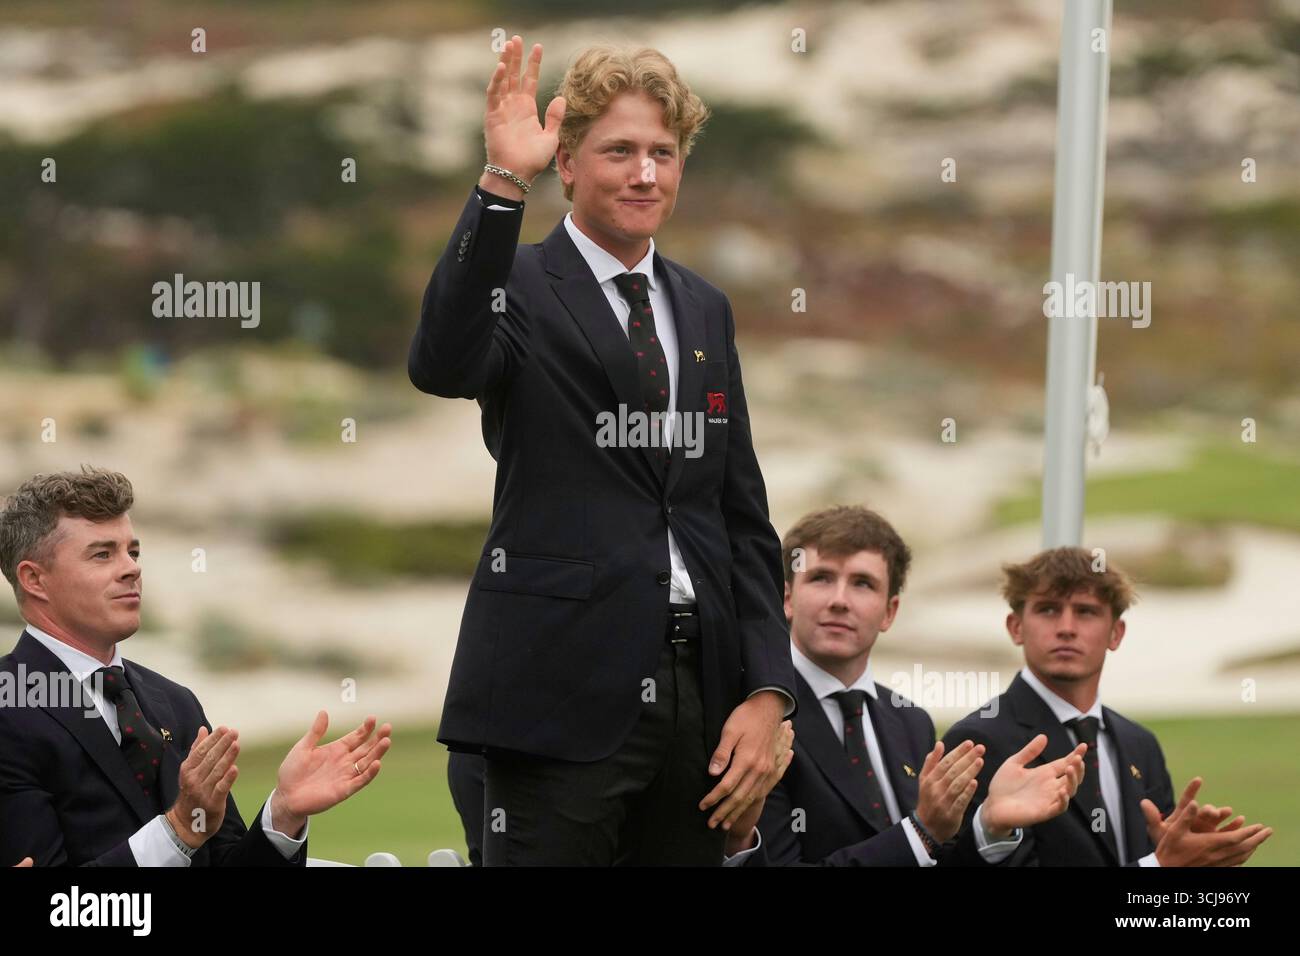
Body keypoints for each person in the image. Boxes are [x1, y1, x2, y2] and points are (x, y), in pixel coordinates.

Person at [410, 38, 795, 865]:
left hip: (703, 696)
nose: (645, 174)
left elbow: (740, 514)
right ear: (569, 164)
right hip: (555, 691)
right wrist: (501, 182)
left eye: (664, 153)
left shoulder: (704, 308)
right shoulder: (516, 284)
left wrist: (768, 691)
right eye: (619, 151)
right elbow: (441, 364)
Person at [0, 467, 392, 867]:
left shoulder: (173, 701)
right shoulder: (7, 705)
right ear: (34, 579)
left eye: (132, 552)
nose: (131, 568)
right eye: (102, 554)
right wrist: (178, 832)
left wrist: (284, 814)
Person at [734, 505, 1085, 865]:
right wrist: (922, 830)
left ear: (890, 611)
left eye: (862, 583)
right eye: (821, 577)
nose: (839, 600)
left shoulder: (910, 721)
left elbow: (932, 857)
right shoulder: (755, 713)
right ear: (787, 598)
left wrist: (989, 826)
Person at [942, 546, 1274, 866]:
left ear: (1116, 633)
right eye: (1047, 609)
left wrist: (1181, 852)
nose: (1067, 628)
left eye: (1086, 611)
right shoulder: (977, 740)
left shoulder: (1140, 744)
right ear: (1016, 628)